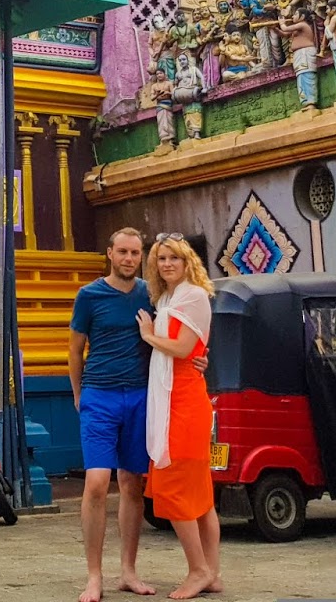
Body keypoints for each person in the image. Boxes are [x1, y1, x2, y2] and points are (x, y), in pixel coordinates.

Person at [70, 229, 158, 602]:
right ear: (109, 253)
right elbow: (75, 350)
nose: (128, 258)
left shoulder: (149, 293)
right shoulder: (89, 295)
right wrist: (79, 396)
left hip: (139, 394)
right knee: (95, 483)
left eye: (135, 252)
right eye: (122, 251)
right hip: (99, 396)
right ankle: (94, 575)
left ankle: (129, 571)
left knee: (133, 483)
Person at [137, 235, 220, 599]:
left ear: (188, 262)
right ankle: (211, 572)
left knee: (176, 488)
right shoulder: (169, 298)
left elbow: (185, 348)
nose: (167, 264)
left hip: (184, 400)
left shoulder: (193, 295)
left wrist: (149, 334)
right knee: (197, 493)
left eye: (174, 258)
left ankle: (199, 569)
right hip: (174, 397)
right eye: (161, 259)